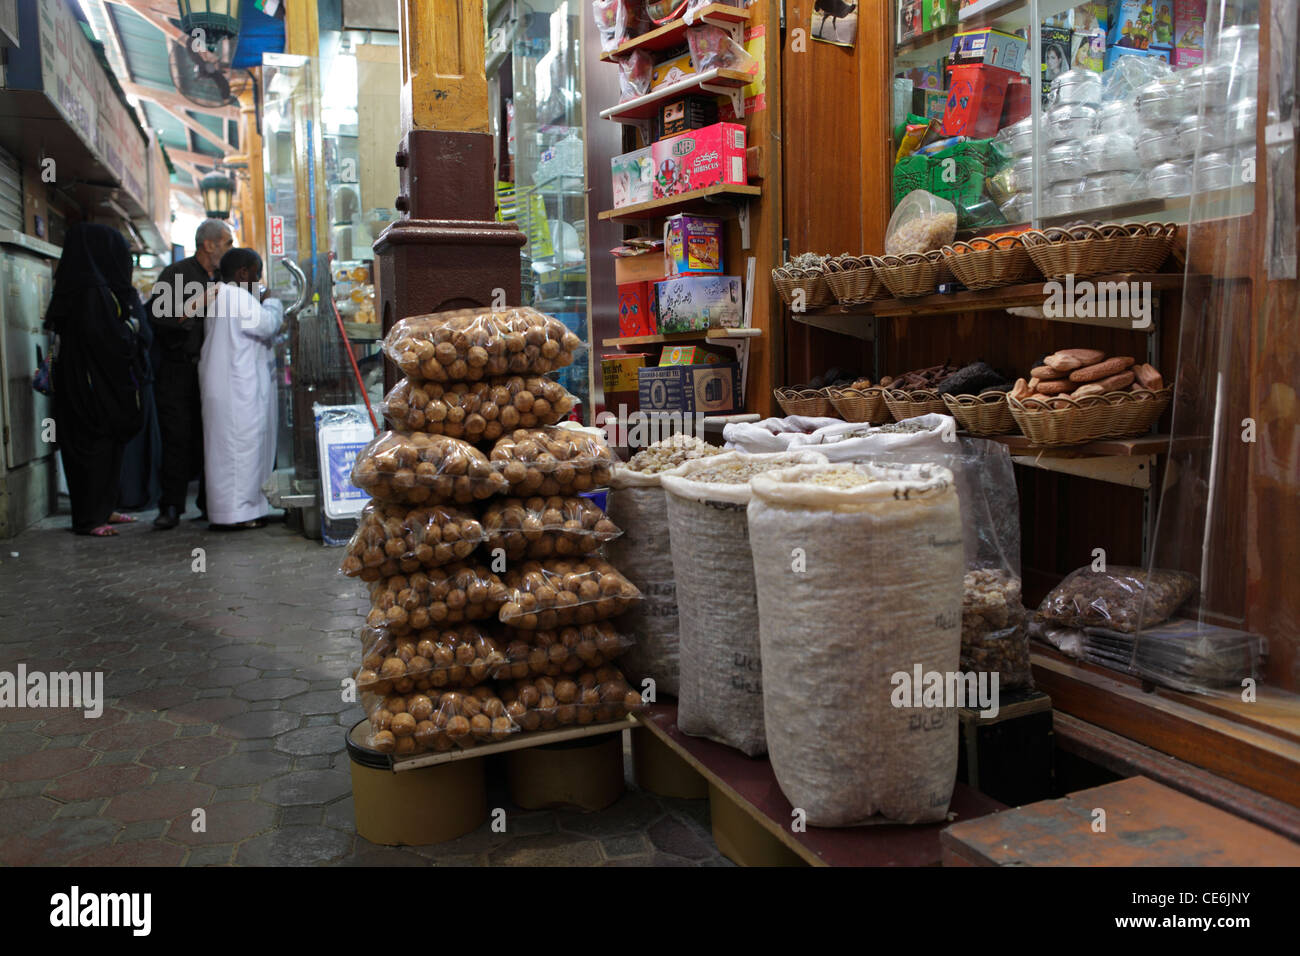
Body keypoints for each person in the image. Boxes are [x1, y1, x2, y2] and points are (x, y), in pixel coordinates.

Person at [44, 224, 147, 537]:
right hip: (90, 387)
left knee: (105, 446)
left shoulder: (80, 285)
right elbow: (108, 339)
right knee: (93, 447)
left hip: (85, 383)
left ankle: (103, 509)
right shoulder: (91, 292)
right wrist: (131, 328)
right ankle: (89, 518)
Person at [148, 218, 233, 530]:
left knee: (211, 436)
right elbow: (159, 318)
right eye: (227, 242)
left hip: (213, 372)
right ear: (208, 244)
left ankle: (210, 505)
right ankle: (170, 506)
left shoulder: (226, 276)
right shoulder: (176, 274)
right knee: (177, 439)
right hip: (178, 372)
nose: (229, 249)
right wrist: (197, 304)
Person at [198, 248, 283, 530]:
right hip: (237, 390)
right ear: (243, 273)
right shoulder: (234, 295)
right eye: (257, 275)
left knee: (233, 453)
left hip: (230, 386)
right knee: (240, 452)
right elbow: (267, 324)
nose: (259, 281)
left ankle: (241, 511)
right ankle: (237, 515)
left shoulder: (221, 295)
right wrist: (272, 303)